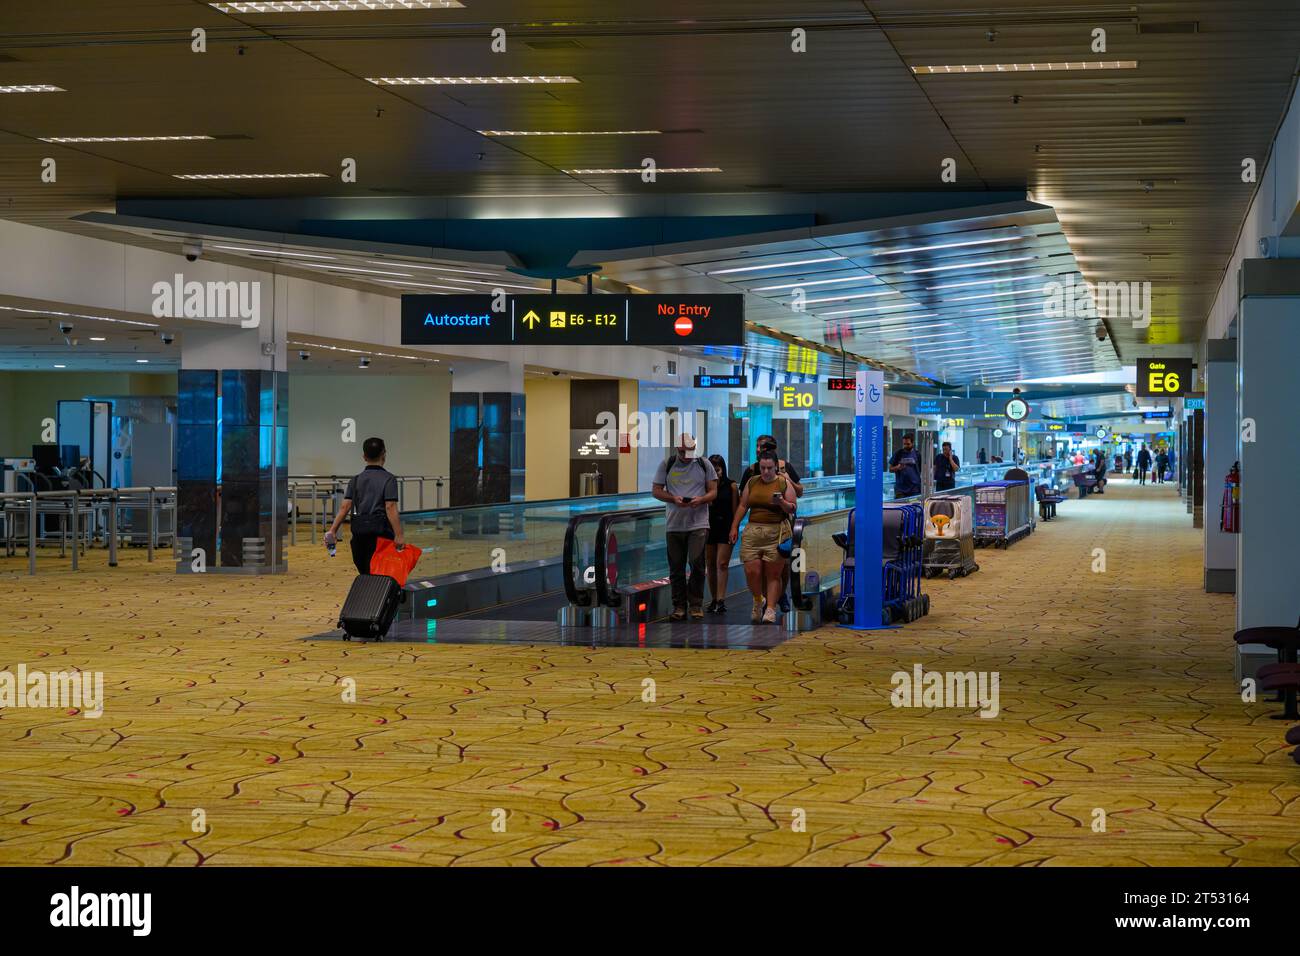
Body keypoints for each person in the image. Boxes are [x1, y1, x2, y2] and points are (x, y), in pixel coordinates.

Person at [651, 434, 717, 621]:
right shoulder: (667, 464)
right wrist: (673, 498)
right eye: (682, 451)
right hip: (674, 524)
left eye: (689, 451)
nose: (686, 455)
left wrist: (701, 499)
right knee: (676, 567)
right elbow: (656, 490)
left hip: (698, 523)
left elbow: (713, 491)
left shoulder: (704, 464)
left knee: (697, 564)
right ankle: (679, 605)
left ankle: (695, 604)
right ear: (676, 448)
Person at [729, 449, 796, 624]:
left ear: (776, 467)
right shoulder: (752, 482)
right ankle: (759, 599)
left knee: (773, 574)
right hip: (753, 532)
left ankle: (771, 609)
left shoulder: (783, 483)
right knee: (752, 571)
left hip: (776, 532)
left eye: (769, 468)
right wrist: (734, 526)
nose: (766, 472)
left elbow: (792, 508)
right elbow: (743, 505)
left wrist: (781, 502)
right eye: (763, 468)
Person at [738, 435, 803, 612]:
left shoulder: (784, 467)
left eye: (764, 447)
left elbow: (800, 491)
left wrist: (786, 479)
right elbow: (742, 499)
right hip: (758, 527)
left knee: (782, 567)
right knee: (760, 567)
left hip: (783, 525)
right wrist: (734, 525)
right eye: (758, 447)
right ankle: (766, 599)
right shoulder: (752, 471)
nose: (760, 450)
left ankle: (781, 596)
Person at [325, 436, 406, 575]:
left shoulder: (355, 480)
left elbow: (345, 507)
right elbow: (390, 506)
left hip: (359, 533)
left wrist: (332, 530)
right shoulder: (389, 479)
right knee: (381, 573)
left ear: (364, 456)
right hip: (382, 533)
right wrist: (399, 534)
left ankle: (368, 595)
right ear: (384, 454)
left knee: (365, 572)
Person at [705, 454, 738, 615]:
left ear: (723, 469)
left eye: (718, 470)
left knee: (722, 563)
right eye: (713, 469)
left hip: (725, 526)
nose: (716, 473)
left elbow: (736, 510)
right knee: (710, 564)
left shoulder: (731, 486)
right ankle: (713, 599)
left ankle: (721, 599)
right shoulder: (706, 486)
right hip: (709, 527)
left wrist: (734, 528)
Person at [888, 433, 921, 498]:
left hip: (915, 489)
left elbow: (920, 469)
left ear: (912, 443)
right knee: (900, 507)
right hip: (901, 490)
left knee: (914, 507)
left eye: (908, 444)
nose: (905, 446)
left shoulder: (917, 454)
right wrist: (898, 467)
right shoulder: (898, 453)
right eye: (904, 444)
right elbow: (890, 469)